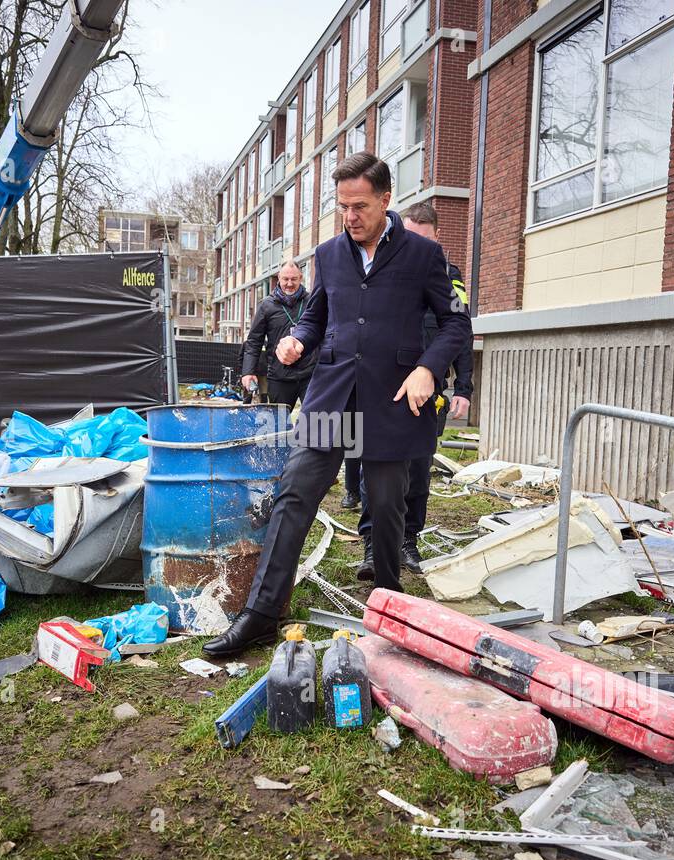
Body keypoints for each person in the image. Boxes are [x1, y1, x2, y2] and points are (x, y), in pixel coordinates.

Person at [202, 152, 471, 656]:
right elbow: (316, 316)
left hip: (393, 401)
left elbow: (457, 322)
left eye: (360, 206)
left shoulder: (423, 255)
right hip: (333, 396)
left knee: (387, 506)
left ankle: (389, 609)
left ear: (386, 199)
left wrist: (428, 368)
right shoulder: (326, 255)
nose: (350, 217)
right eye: (343, 207)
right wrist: (297, 340)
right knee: (295, 494)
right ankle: (261, 613)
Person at [357, 200, 473, 577]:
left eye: (425, 238)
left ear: (436, 237)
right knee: (371, 467)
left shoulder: (449, 275)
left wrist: (463, 387)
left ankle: (408, 541)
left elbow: (460, 332)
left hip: (427, 387)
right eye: (410, 236)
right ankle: (373, 546)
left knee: (418, 470)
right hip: (382, 385)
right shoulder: (382, 269)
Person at [240, 261, 316, 408]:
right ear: (279, 278)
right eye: (285, 279)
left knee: (315, 423)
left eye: (293, 279)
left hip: (310, 375)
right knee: (279, 425)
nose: (289, 283)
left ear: (301, 278)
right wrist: (247, 372)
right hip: (279, 376)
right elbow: (254, 341)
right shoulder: (267, 305)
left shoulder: (312, 301)